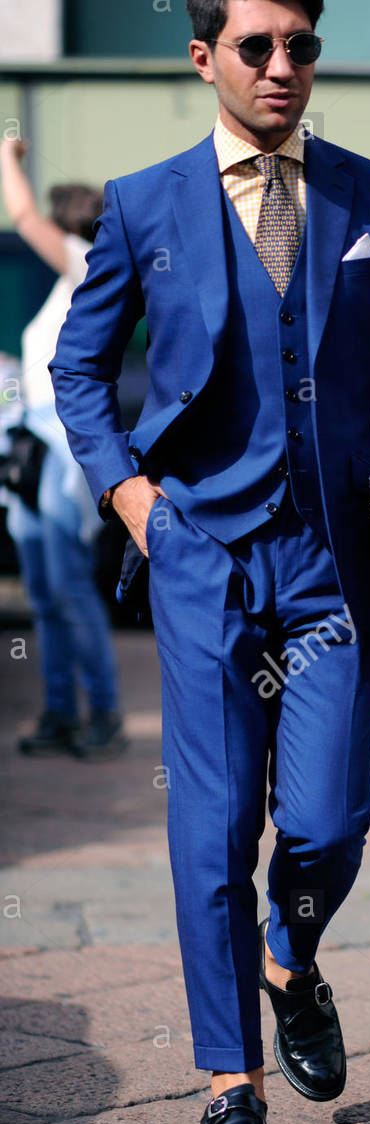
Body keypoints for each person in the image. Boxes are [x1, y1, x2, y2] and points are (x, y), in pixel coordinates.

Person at [51, 0, 370, 1124]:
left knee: (331, 817)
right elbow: (78, 370)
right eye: (256, 47)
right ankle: (230, 1086)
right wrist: (135, 502)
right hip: (201, 561)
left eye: (303, 47)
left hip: (334, 557)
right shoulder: (144, 203)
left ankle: (291, 950)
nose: (283, 67)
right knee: (214, 827)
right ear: (203, 59)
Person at [0, 139, 127, 759]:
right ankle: (58, 713)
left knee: (69, 586)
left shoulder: (86, 263)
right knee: (46, 590)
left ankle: (103, 715)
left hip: (62, 439)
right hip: (34, 442)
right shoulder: (68, 282)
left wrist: (6, 157)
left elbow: (23, 218)